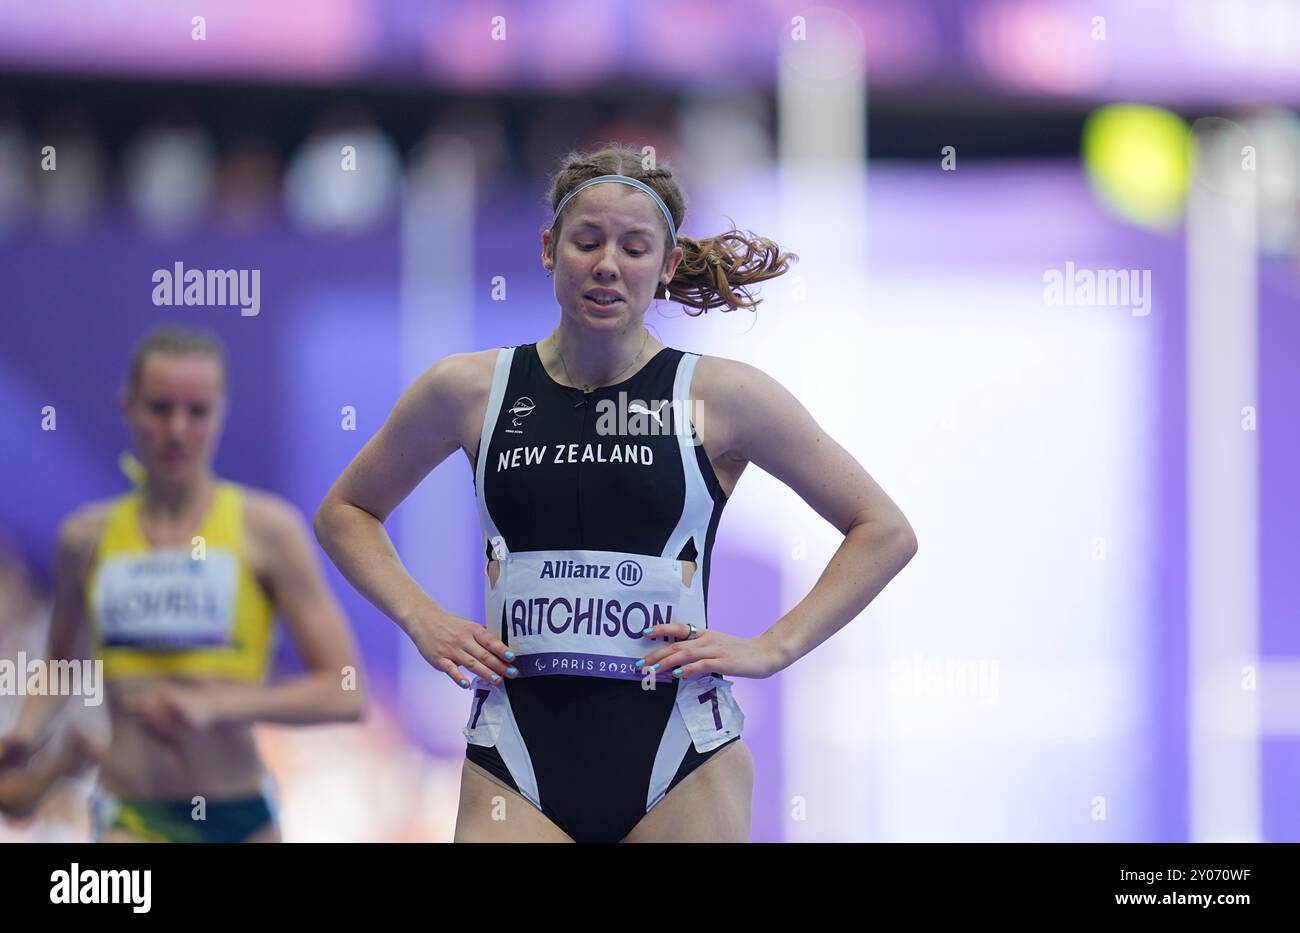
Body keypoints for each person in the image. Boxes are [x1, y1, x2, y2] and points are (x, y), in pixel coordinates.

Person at [314, 144, 917, 843]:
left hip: (682, 761)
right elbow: (346, 512)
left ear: (665, 266)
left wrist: (775, 646)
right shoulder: (471, 390)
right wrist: (421, 618)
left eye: (634, 247)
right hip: (516, 761)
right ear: (549, 248)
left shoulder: (721, 398)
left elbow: (883, 529)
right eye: (587, 240)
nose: (607, 264)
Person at [0, 325, 366, 842]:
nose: (177, 429)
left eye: (198, 411)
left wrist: (217, 704)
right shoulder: (86, 537)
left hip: (239, 818)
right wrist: (26, 732)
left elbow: (345, 692)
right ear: (128, 408)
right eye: (159, 408)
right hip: (133, 812)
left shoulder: (266, 530)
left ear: (221, 413)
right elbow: (64, 666)